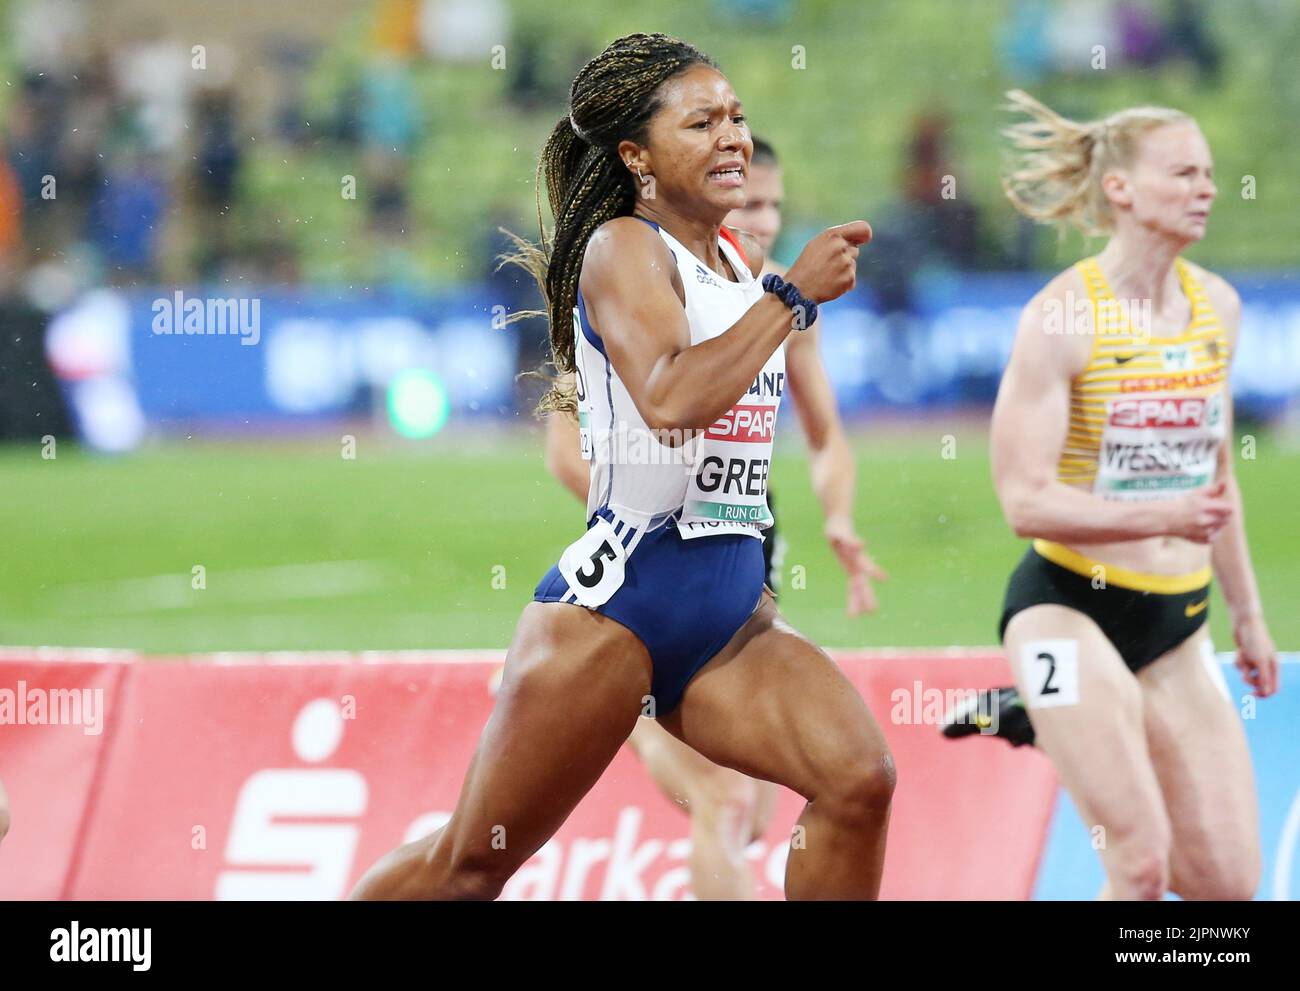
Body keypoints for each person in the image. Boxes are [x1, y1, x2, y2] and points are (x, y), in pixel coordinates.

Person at [350, 32, 893, 901]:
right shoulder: (622, 251)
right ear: (637, 156)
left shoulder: (735, 263)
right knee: (469, 866)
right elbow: (673, 400)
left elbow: (738, 464)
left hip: (727, 617)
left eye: (738, 117)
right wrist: (790, 301)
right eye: (702, 121)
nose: (732, 138)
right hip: (617, 612)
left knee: (859, 777)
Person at [542, 135, 885, 899]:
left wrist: (839, 517)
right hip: (647, 580)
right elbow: (566, 449)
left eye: (772, 203)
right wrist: (653, 514)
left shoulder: (781, 297)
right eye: (749, 200)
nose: (760, 218)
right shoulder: (643, 277)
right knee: (724, 804)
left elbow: (826, 436)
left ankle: (632, 709)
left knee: (769, 806)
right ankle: (627, 702)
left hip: (743, 571)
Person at [983, 90, 1278, 899]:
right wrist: (1162, 514)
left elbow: (1218, 478)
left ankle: (1049, 721)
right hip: (1066, 607)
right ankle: (1059, 707)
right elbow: (1025, 503)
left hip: (1176, 620)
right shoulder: (1062, 317)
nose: (1207, 187)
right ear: (1121, 190)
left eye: (1211, 174)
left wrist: (1248, 614)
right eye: (1183, 172)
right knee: (1139, 864)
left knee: (1227, 887)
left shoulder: (1217, 307)